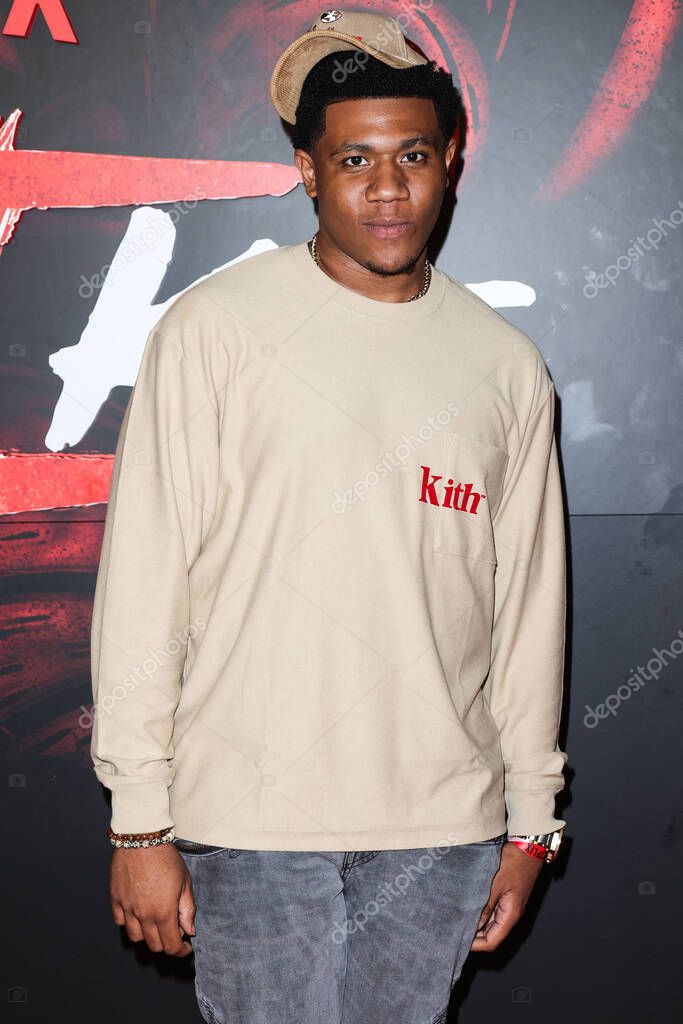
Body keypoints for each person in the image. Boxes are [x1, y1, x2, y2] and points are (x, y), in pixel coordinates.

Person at [90, 10, 569, 1023]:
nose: (387, 188)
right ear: (307, 170)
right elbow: (145, 582)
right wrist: (140, 823)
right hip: (248, 821)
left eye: (412, 156)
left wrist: (530, 827)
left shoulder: (504, 367)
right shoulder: (213, 331)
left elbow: (526, 614)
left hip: (443, 826)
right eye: (353, 157)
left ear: (450, 164)